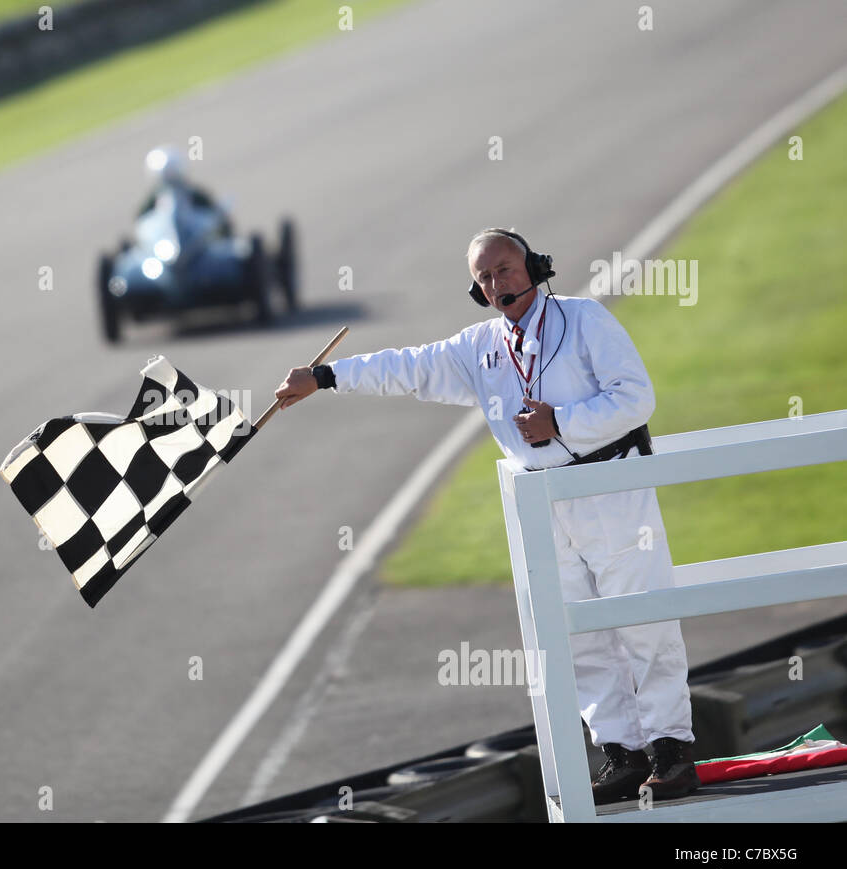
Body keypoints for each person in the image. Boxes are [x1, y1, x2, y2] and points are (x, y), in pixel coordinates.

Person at [273, 228, 700, 804]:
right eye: (484, 277)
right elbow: (407, 366)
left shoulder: (585, 319)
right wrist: (324, 378)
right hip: (541, 503)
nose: (497, 283)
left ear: (534, 265)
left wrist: (562, 424)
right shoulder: (478, 348)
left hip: (610, 490)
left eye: (505, 269)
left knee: (643, 621)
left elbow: (636, 399)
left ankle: (672, 750)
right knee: (578, 638)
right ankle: (620, 753)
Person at [136, 146, 232, 237]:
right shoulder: (153, 200)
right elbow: (141, 222)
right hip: (165, 242)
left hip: (196, 239)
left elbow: (216, 214)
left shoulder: (195, 194)